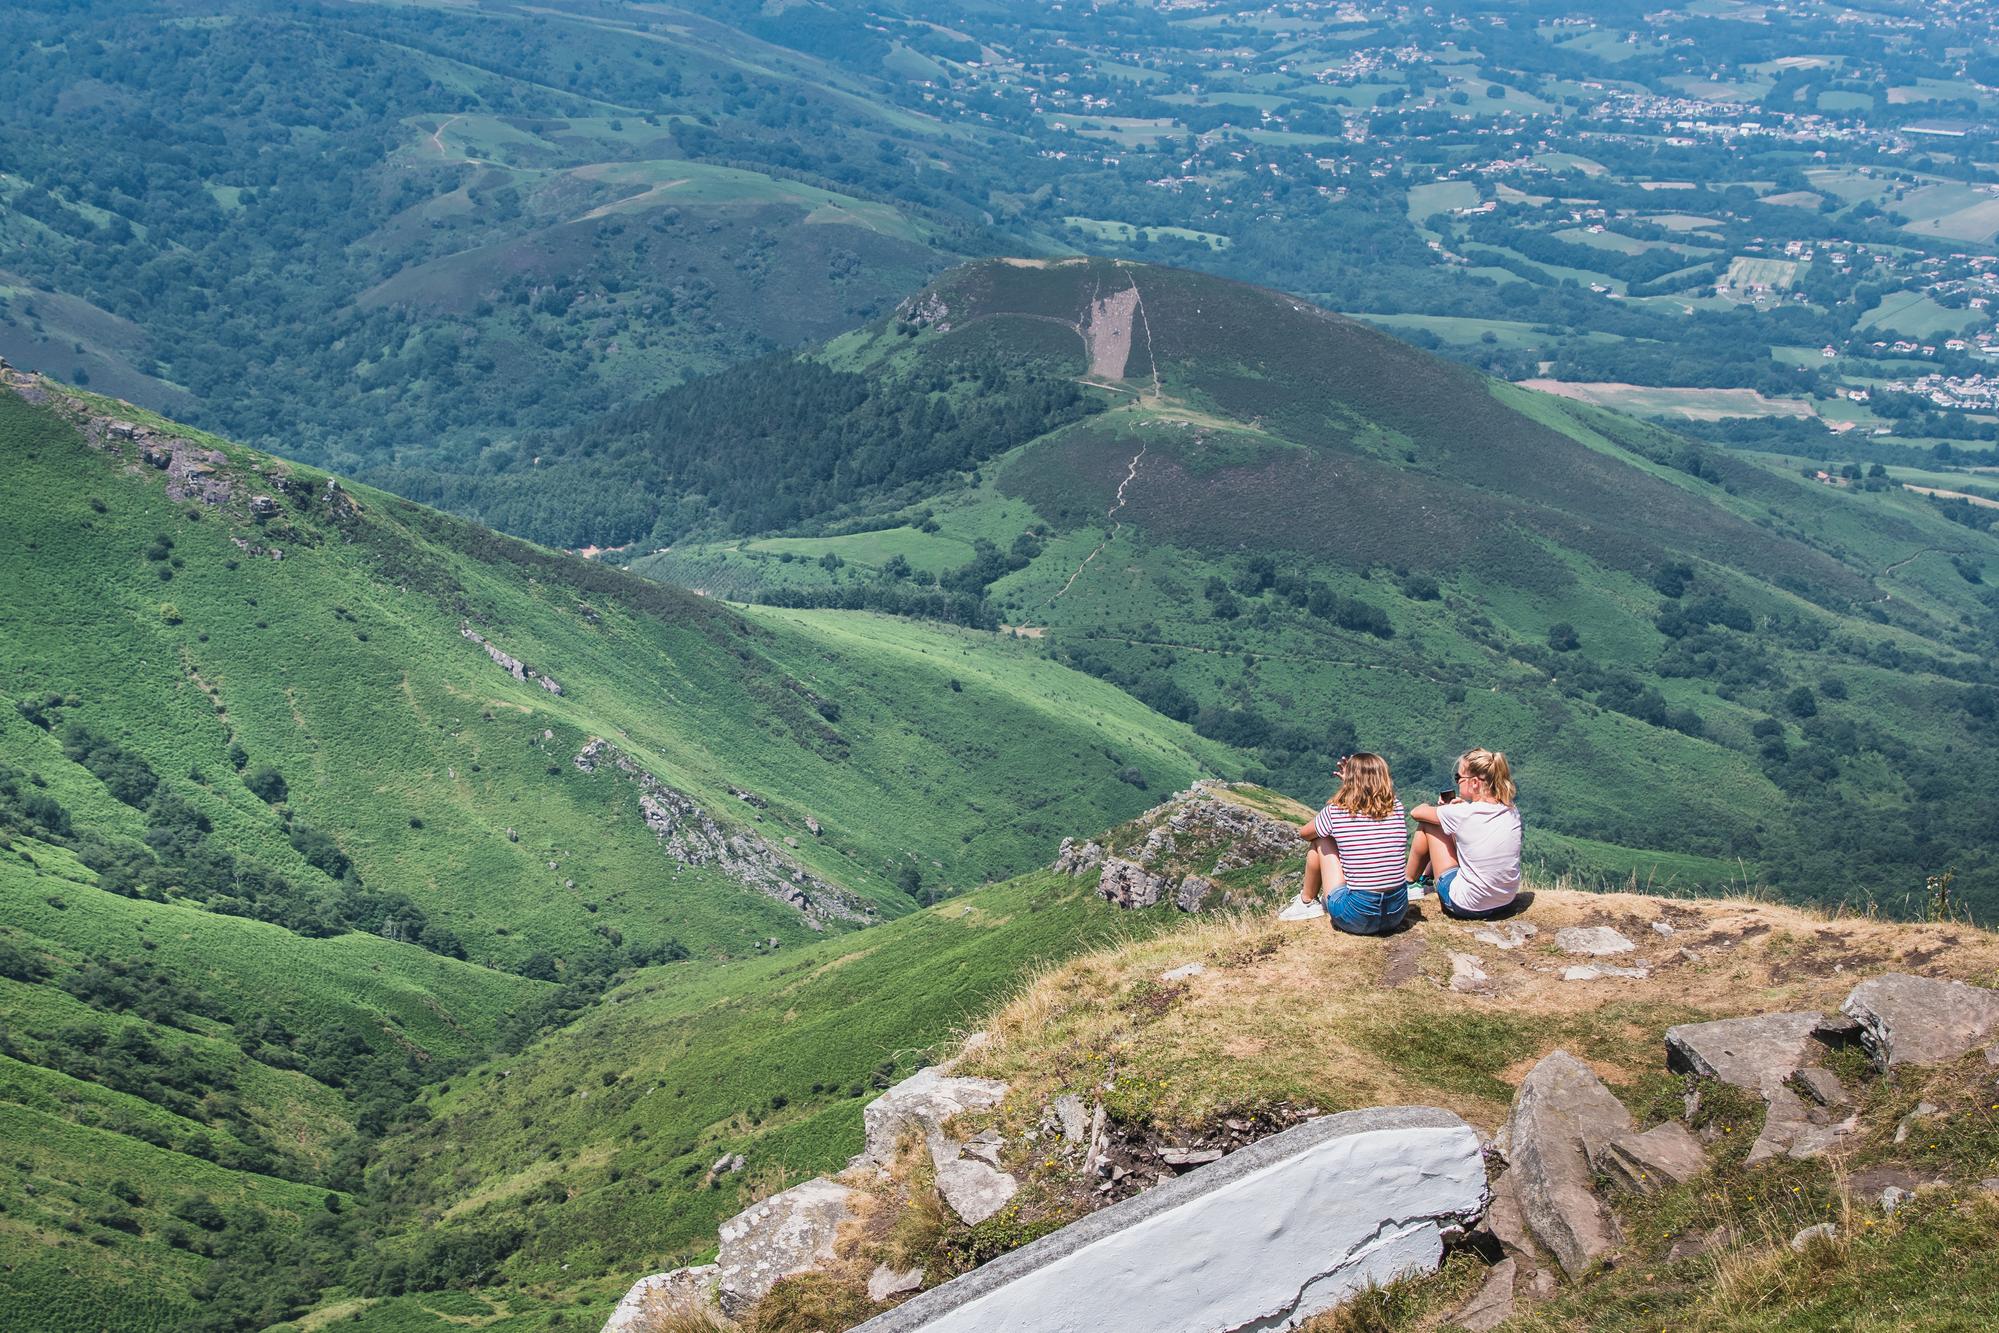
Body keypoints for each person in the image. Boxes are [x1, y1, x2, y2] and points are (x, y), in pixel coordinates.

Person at [1278, 752, 1409, 935]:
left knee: (1321, 837)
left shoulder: (1336, 812)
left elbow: (1304, 833)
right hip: (1396, 913)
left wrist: (1348, 787)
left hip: (1358, 917)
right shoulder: (1396, 807)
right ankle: (1312, 901)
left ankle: (1306, 901)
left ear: (1350, 781)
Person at [1405, 748, 1522, 920]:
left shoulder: (1463, 813)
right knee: (1445, 826)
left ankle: (1407, 883)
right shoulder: (1511, 809)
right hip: (1505, 901)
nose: (1457, 781)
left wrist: (1441, 809)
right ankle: (1424, 880)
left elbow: (1416, 813)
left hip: (1466, 905)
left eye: (1458, 778)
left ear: (1474, 782)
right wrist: (1455, 810)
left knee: (1429, 824)